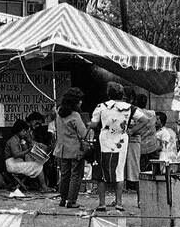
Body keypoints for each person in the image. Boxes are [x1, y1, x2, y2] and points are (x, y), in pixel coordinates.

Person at [90, 82, 134, 213]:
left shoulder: (101, 107)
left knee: (101, 172)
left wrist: (88, 124)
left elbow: (94, 124)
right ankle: (119, 203)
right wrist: (132, 130)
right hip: (121, 142)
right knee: (119, 171)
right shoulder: (129, 108)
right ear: (122, 94)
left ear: (108, 94)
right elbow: (144, 119)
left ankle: (102, 203)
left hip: (104, 142)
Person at [51, 87, 87, 209]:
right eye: (79, 100)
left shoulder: (59, 112)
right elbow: (83, 134)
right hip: (75, 150)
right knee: (76, 175)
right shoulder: (75, 115)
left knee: (65, 175)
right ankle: (71, 201)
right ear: (74, 102)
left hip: (61, 149)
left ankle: (63, 199)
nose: (81, 102)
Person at [125, 91, 155, 190]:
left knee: (136, 168)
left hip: (138, 144)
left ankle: (137, 187)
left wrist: (131, 130)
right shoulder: (152, 114)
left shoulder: (134, 112)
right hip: (151, 145)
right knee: (146, 169)